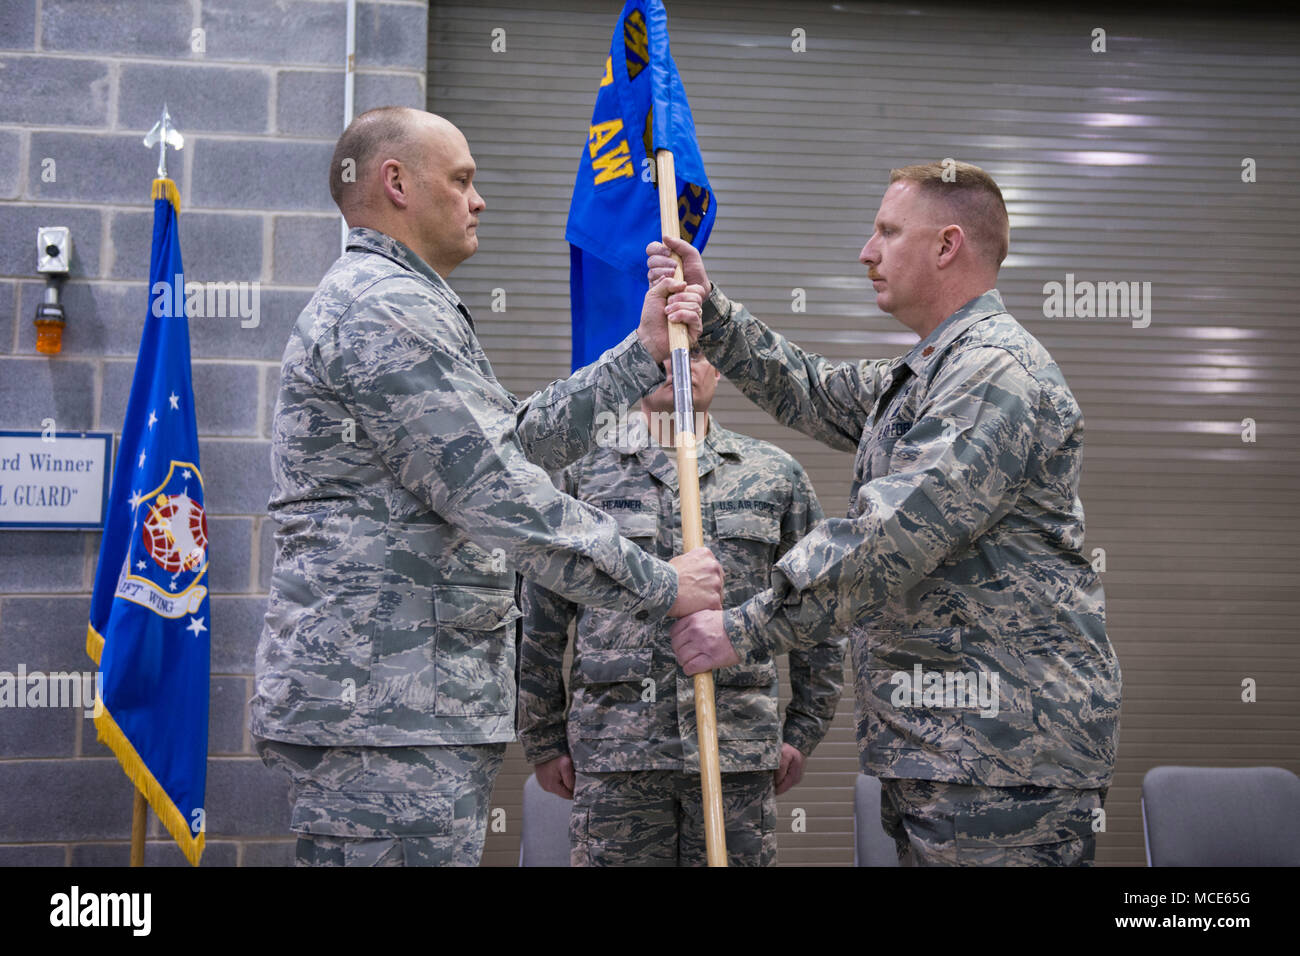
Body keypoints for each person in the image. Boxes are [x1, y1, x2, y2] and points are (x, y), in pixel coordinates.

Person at [249, 106, 722, 867]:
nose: (480, 199)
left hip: (403, 704)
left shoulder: (408, 299)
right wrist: (662, 584)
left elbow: (510, 446)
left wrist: (636, 357)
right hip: (383, 707)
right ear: (396, 182)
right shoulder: (385, 306)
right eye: (462, 179)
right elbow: (499, 494)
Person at [657, 161, 1122, 866]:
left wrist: (743, 627)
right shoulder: (930, 372)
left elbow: (891, 535)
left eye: (887, 231)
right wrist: (710, 309)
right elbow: (811, 389)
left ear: (946, 246)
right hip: (948, 750)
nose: (866, 251)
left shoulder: (992, 373)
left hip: (1002, 755)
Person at [519, 350, 845, 866]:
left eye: (696, 353)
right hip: (616, 753)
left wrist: (803, 729)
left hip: (735, 751)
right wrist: (543, 737)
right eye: (663, 352)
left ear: (718, 370)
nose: (679, 363)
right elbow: (540, 618)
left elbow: (819, 608)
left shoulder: (773, 475)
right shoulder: (581, 475)